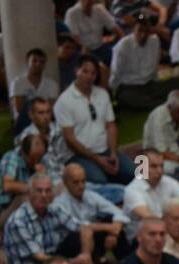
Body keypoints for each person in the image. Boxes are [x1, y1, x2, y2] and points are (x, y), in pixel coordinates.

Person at [55, 54, 135, 186]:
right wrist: (97, 159)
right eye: (85, 71)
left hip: (105, 150)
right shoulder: (64, 101)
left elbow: (111, 126)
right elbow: (70, 140)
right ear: (76, 71)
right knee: (100, 181)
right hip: (78, 156)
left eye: (93, 73)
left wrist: (113, 153)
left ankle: (114, 179)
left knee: (134, 173)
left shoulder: (102, 94)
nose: (89, 76)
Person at [122, 149, 179, 240]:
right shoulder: (132, 190)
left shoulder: (168, 181)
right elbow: (150, 218)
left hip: (169, 231)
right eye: (154, 166)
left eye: (161, 166)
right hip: (142, 239)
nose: (160, 171)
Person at [10, 47, 59, 133]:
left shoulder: (52, 84)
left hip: (45, 120)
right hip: (25, 122)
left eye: (42, 62)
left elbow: (52, 108)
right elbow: (19, 108)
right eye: (34, 61)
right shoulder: (17, 83)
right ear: (27, 62)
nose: (38, 64)